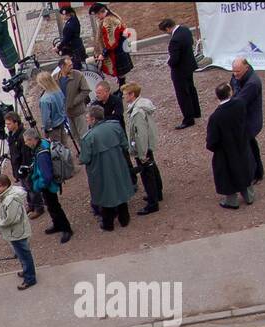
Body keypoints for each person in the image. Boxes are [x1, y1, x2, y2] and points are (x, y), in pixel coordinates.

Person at [79, 105, 134, 230]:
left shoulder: (88, 137)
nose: (86, 120)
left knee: (105, 194)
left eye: (87, 117)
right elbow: (125, 145)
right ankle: (124, 219)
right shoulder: (115, 126)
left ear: (93, 119)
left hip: (100, 170)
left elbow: (85, 158)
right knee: (120, 189)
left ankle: (108, 224)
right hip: (118, 165)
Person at [206, 83, 256, 209]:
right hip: (242, 145)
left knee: (227, 175)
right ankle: (249, 196)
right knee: (244, 169)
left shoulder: (215, 117)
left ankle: (232, 201)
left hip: (225, 152)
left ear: (218, 97)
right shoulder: (240, 105)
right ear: (230, 93)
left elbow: (212, 141)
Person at [21, 128, 73, 242]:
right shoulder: (43, 143)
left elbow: (47, 176)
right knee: (51, 206)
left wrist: (37, 186)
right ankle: (57, 224)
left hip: (47, 185)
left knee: (55, 206)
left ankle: (66, 229)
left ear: (32, 140)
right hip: (49, 183)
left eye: (26, 141)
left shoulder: (41, 154)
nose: (26, 144)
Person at [0, 172, 37, 290]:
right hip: (15, 231)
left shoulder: (11, 200)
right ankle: (27, 271)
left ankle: (30, 278)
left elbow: (10, 219)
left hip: (17, 232)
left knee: (24, 255)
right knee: (21, 254)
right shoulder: (6, 195)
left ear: (6, 186)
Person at [122, 83, 163, 216]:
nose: (123, 97)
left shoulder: (137, 112)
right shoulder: (141, 106)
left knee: (147, 174)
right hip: (147, 146)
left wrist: (142, 152)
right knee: (152, 168)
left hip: (143, 148)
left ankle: (152, 202)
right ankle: (158, 193)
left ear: (132, 95)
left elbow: (140, 134)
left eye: (125, 94)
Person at [159, 18, 200, 129]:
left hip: (180, 71)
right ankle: (196, 111)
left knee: (182, 94)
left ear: (168, 28)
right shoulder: (185, 30)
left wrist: (169, 62)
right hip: (189, 66)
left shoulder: (175, 40)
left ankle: (188, 118)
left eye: (165, 31)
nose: (166, 33)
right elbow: (191, 43)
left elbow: (174, 59)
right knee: (191, 89)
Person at [229, 57, 263, 184]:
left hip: (250, 121)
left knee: (248, 148)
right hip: (245, 119)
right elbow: (233, 84)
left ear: (246, 68)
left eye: (238, 71)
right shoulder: (239, 76)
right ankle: (258, 171)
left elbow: (240, 102)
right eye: (234, 71)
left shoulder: (252, 83)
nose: (235, 74)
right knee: (251, 145)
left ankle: (255, 173)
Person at [92, 3, 131, 87]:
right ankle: (121, 88)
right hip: (120, 48)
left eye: (97, 15)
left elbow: (111, 42)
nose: (97, 17)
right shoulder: (112, 16)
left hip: (116, 50)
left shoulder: (108, 21)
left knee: (120, 73)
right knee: (120, 74)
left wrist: (104, 53)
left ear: (100, 12)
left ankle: (122, 91)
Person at [57, 56, 91, 145]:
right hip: (67, 113)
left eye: (71, 65)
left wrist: (74, 102)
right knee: (75, 135)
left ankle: (88, 152)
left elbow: (86, 90)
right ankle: (83, 151)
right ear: (62, 67)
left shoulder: (78, 75)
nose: (71, 67)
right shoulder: (55, 78)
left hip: (78, 111)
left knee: (84, 135)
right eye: (69, 66)